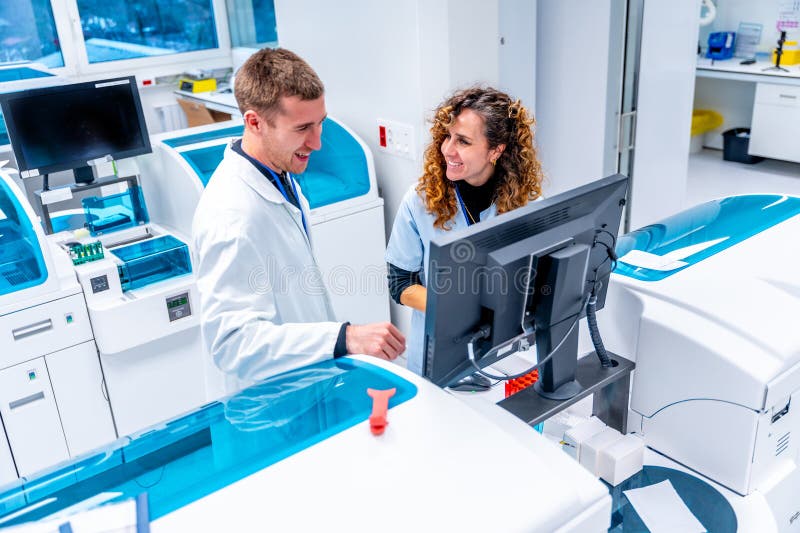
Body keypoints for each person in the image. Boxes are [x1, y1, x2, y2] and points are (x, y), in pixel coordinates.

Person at [193, 47, 405, 396]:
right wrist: (344, 337)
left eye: (320, 123)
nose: (318, 142)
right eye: (303, 128)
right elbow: (232, 343)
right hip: (264, 408)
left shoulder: (278, 172)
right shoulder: (231, 217)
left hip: (301, 382)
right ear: (254, 122)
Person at [385, 86, 544, 377]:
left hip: (505, 352)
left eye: (463, 141)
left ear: (496, 150)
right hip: (439, 350)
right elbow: (400, 284)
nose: (448, 149)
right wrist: (457, 312)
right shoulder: (421, 201)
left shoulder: (528, 205)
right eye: (447, 136)